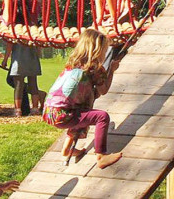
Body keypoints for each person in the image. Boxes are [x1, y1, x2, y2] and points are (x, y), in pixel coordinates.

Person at [42, 28, 122, 169]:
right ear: (97, 50)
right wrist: (112, 71)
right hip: (63, 115)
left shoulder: (71, 65)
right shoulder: (95, 68)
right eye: (104, 51)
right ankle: (101, 155)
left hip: (49, 112)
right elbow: (103, 90)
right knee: (101, 117)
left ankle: (68, 148)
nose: (104, 54)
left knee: (84, 112)